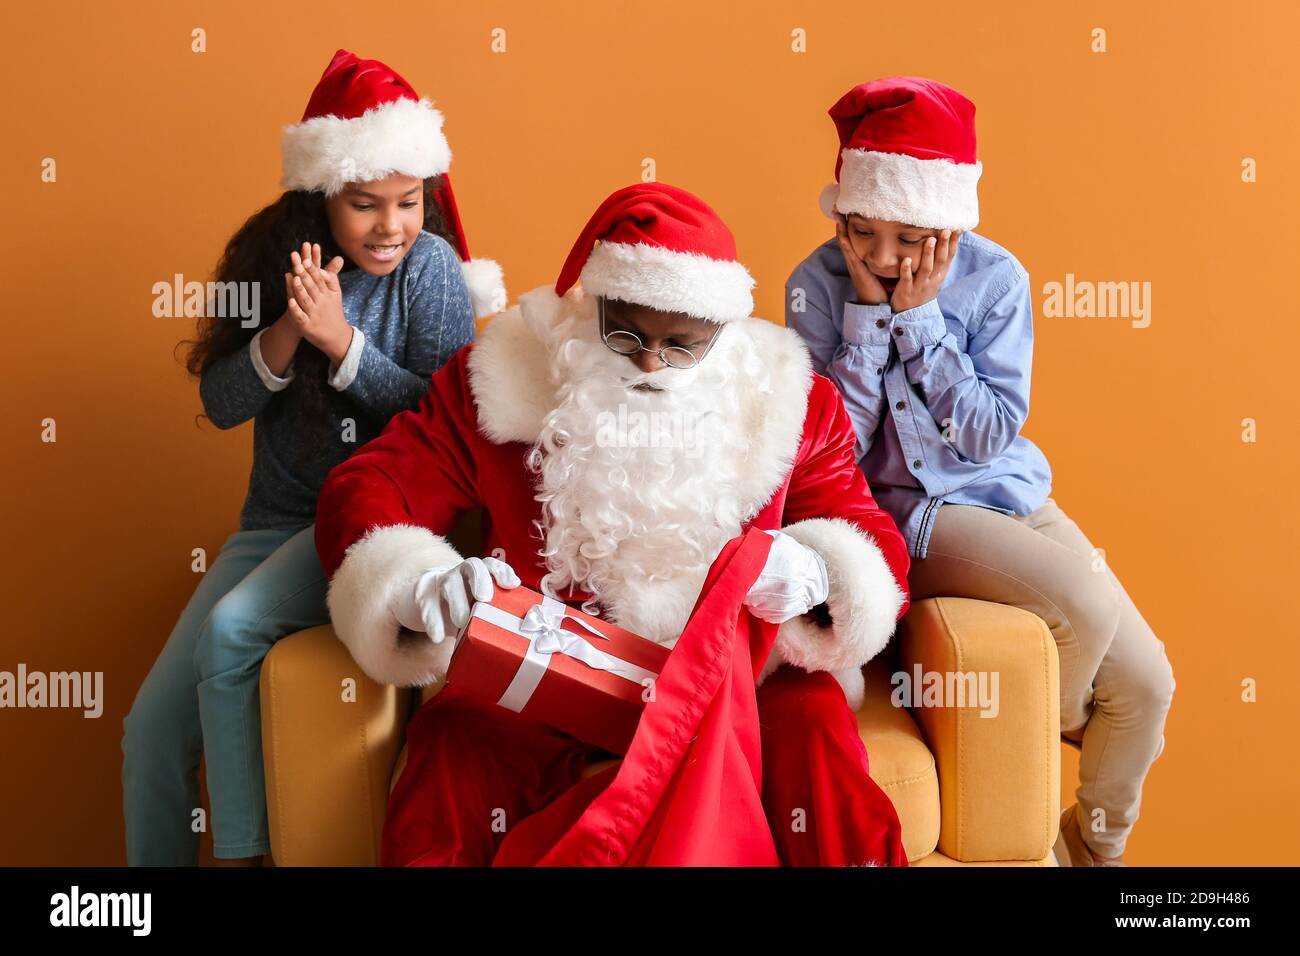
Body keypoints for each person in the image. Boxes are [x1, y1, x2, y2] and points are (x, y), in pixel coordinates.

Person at [315, 182, 913, 866]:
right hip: (544, 680)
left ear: (722, 331)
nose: (652, 363)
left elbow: (865, 530)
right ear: (593, 305)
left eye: (682, 345)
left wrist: (819, 572)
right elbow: (371, 483)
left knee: (815, 731)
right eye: (626, 335)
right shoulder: (504, 376)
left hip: (734, 687)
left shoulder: (792, 399)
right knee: (453, 744)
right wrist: (416, 582)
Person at [121, 49, 505, 866]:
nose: (390, 226)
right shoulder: (274, 259)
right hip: (272, 524)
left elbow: (443, 424)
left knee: (231, 631)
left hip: (370, 521)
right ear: (322, 195)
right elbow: (222, 406)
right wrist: (291, 331)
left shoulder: (430, 271)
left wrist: (343, 345)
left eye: (408, 202)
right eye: (365, 204)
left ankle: (242, 858)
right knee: (148, 730)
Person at [785, 76, 1175, 866]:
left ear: (947, 226)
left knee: (1147, 684)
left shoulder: (998, 279)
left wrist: (922, 324)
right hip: (913, 512)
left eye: (908, 239)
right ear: (843, 214)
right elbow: (835, 450)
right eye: (863, 232)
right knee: (1085, 608)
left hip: (1009, 493)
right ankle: (1027, 743)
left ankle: (1091, 854)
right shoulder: (815, 285)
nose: (884, 259)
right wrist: (868, 321)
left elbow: (989, 435)